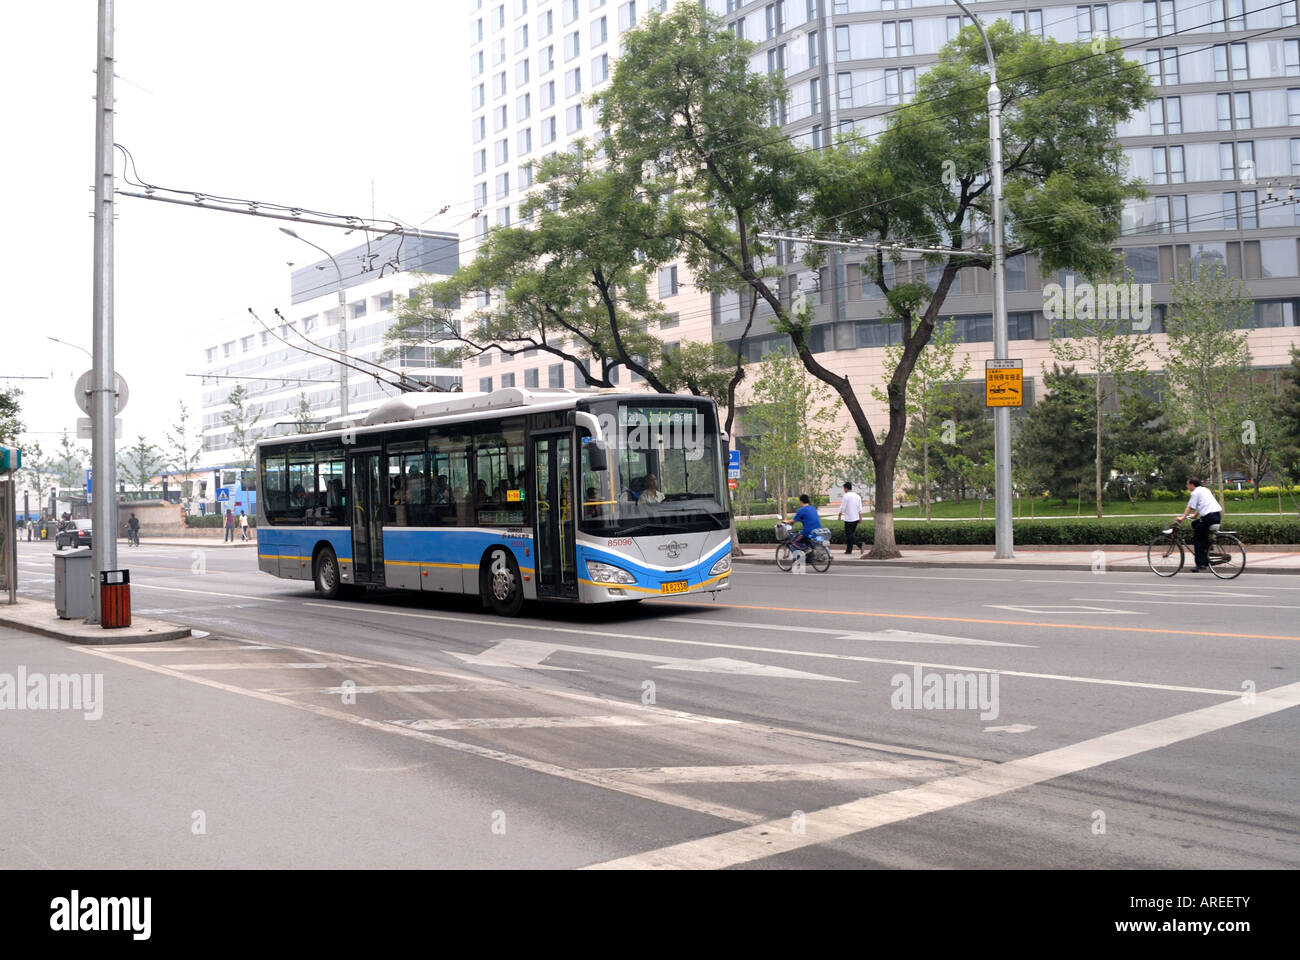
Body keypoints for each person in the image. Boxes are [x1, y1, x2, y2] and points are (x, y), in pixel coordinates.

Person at [1175, 477, 1223, 573]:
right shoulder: (1205, 490)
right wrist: (1195, 516)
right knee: (1195, 524)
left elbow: (1190, 507)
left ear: (1192, 485)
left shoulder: (1195, 493)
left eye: (1188, 484)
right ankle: (1208, 546)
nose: (1187, 486)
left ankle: (1200, 564)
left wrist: (1182, 518)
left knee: (1197, 539)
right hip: (1217, 515)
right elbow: (1202, 504)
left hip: (1209, 517)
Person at [838, 482, 865, 557]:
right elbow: (860, 508)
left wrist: (839, 514)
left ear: (846, 488)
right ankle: (848, 551)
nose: (844, 490)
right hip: (856, 518)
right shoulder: (857, 496)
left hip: (849, 519)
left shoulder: (846, 496)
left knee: (849, 535)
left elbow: (843, 507)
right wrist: (860, 517)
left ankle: (860, 544)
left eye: (844, 488)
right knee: (851, 534)